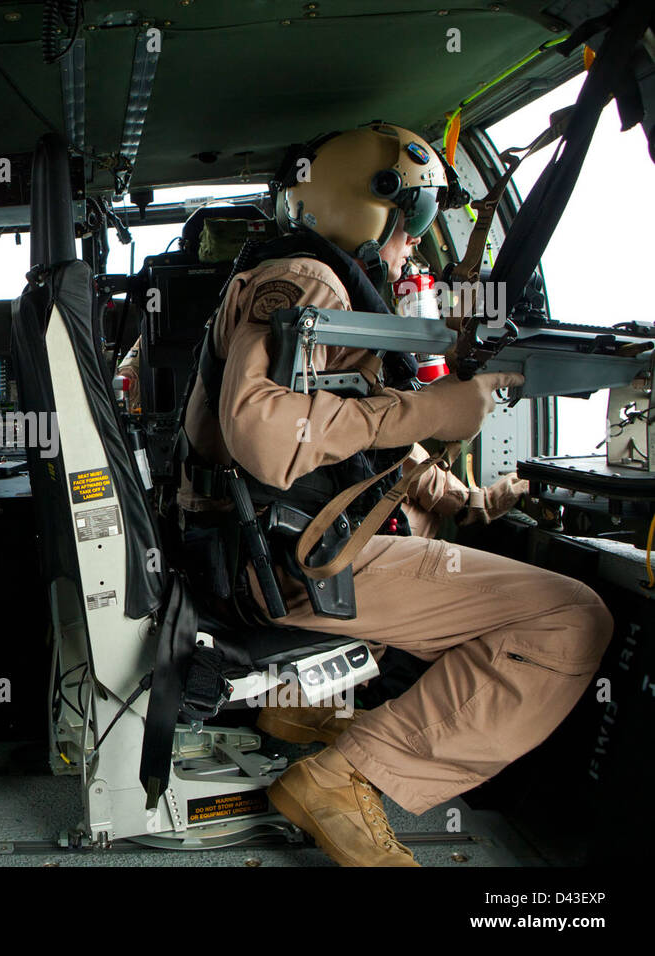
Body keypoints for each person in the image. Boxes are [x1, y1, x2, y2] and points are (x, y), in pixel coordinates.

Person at [177, 123, 612, 865]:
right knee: (570, 619)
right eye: (411, 223)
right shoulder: (307, 282)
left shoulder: (329, 285)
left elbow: (362, 439)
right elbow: (267, 434)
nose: (415, 243)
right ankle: (345, 776)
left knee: (443, 540)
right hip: (291, 563)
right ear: (367, 206)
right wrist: (437, 411)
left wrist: (468, 501)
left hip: (287, 545)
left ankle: (301, 712)